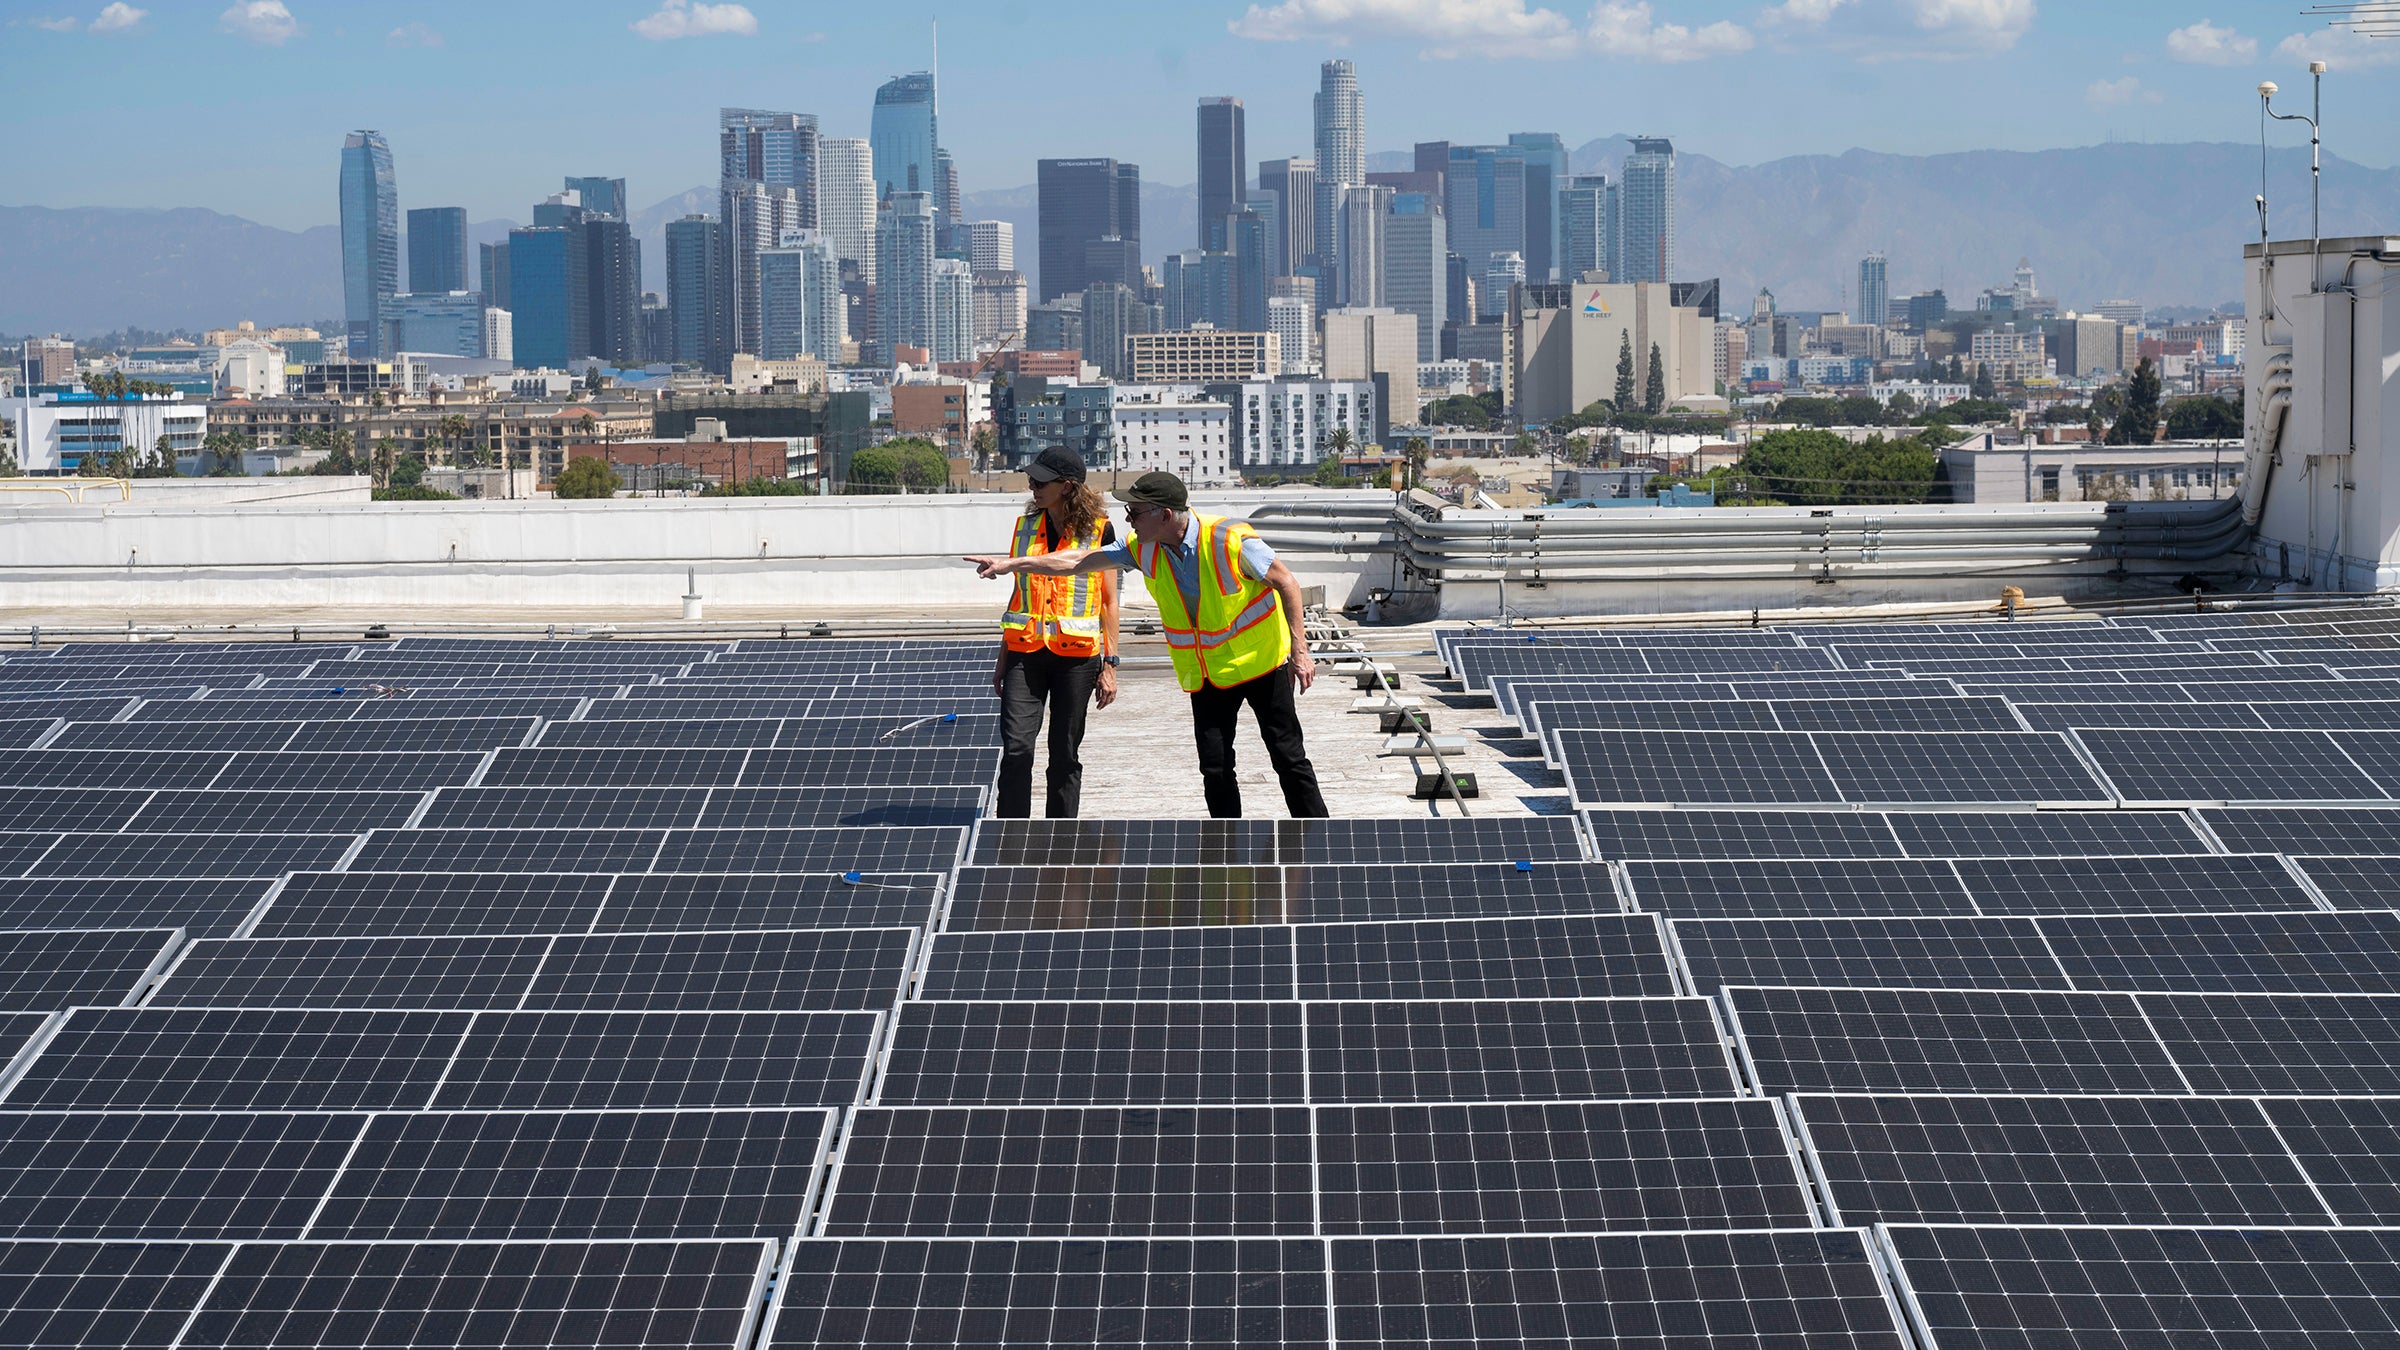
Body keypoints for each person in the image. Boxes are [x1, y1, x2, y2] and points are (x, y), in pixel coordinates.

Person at [968, 470, 1327, 819]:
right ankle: (1227, 850)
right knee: (1215, 769)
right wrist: (1012, 564)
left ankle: (1319, 842)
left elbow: (1287, 583)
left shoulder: (1228, 539)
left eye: (1135, 512)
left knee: (1288, 758)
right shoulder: (1142, 548)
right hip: (1208, 675)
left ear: (1165, 515)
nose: (1129, 519)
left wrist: (1300, 651)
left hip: (1262, 665)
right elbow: (1077, 560)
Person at [989, 446, 1120, 818]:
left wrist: (1110, 665)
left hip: (1077, 661)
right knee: (1016, 750)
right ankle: (1011, 835)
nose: (1032, 486)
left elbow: (1109, 602)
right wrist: (1002, 662)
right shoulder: (1025, 527)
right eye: (1030, 479)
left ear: (1066, 486)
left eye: (1040, 481)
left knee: (1064, 755)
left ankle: (1060, 837)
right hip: (1024, 654)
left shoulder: (1099, 530)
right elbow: (1020, 595)